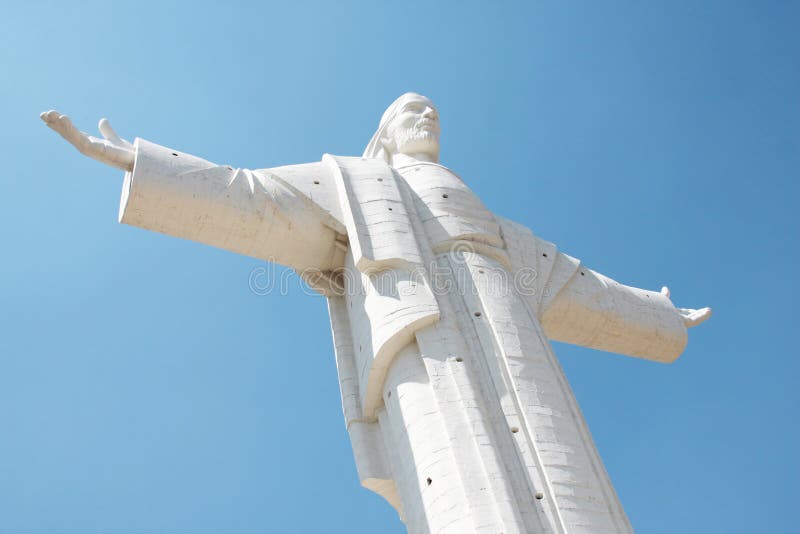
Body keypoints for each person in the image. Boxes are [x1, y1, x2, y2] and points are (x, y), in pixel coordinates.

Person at [41, 93, 710, 534]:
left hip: (515, 337)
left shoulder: (504, 236)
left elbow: (579, 286)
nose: (429, 116)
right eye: (412, 110)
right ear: (385, 135)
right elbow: (256, 196)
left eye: (435, 112)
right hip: (426, 347)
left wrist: (663, 317)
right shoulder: (356, 185)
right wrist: (142, 162)